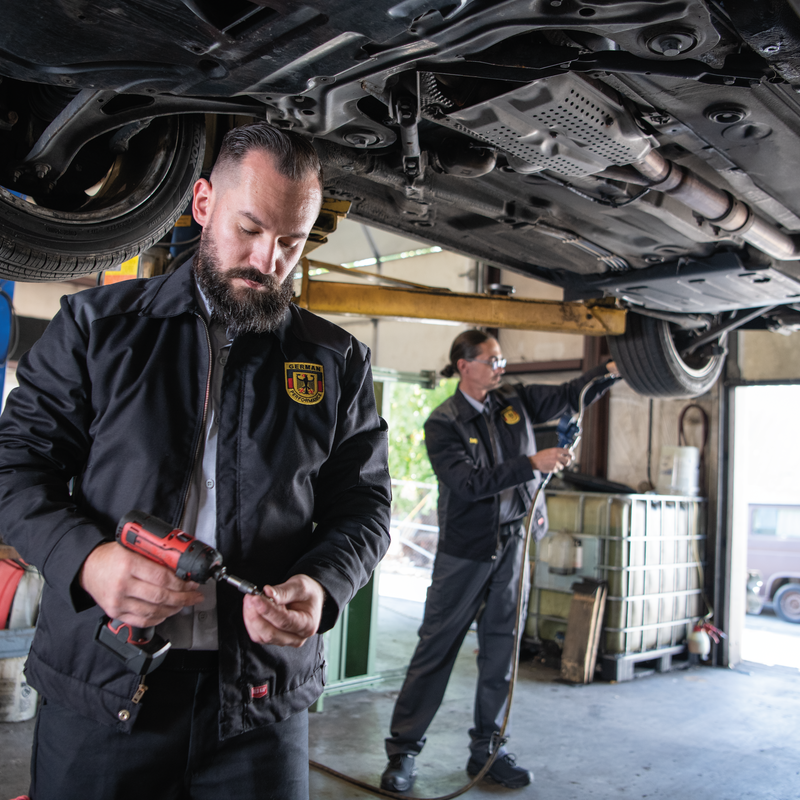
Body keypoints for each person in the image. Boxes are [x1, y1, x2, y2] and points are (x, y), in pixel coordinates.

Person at [0, 122, 391, 800]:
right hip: (101, 686)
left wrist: (324, 585)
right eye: (251, 229)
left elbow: (365, 506)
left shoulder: (334, 361)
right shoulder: (96, 330)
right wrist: (88, 560)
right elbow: (13, 469)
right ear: (203, 203)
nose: (268, 259)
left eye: (291, 242)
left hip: (259, 700)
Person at [380, 329, 619, 792]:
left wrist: (610, 372)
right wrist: (532, 464)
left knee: (501, 649)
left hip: (513, 545)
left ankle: (487, 751)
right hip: (464, 554)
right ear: (463, 365)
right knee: (437, 648)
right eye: (491, 360)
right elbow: (468, 484)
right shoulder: (443, 423)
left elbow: (572, 394)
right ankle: (403, 753)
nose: (499, 367)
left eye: (501, 360)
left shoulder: (515, 401)